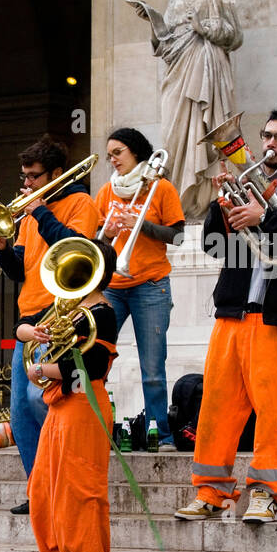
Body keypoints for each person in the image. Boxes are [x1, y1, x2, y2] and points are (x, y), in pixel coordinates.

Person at [174, 109, 277, 524]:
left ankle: (265, 493)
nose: (269, 145)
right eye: (266, 136)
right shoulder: (245, 185)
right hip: (231, 314)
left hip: (273, 317)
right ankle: (211, 491)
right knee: (217, 407)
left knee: (271, 408)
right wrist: (222, 211)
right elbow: (214, 247)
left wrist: (265, 217)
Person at [0, 135, 102, 513]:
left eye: (34, 177)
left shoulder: (79, 202)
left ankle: (59, 486)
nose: (26, 185)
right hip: (30, 319)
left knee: (48, 407)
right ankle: (38, 488)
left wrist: (41, 213)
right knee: (20, 410)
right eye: (24, 177)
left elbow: (77, 251)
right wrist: (2, 249)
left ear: (56, 173)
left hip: (63, 317)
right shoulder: (28, 215)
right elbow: (21, 270)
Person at [20, 240, 119, 552]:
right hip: (61, 405)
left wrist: (43, 368)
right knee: (44, 486)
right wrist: (31, 334)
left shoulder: (103, 314)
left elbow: (90, 365)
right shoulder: (66, 308)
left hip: (84, 404)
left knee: (81, 488)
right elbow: (22, 327)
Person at [128, 0, 242, 218]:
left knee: (206, 134)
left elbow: (235, 35)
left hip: (207, 68)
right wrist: (154, 23)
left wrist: (204, 28)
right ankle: (177, 199)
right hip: (178, 72)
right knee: (173, 134)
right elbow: (166, 41)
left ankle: (204, 201)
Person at [94, 127, 185, 451]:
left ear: (135, 151)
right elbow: (97, 242)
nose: (112, 160)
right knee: (97, 360)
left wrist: (140, 225)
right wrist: (107, 232)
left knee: (152, 368)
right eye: (109, 155)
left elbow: (178, 236)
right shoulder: (106, 192)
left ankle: (160, 434)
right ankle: (96, 429)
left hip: (151, 285)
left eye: (117, 152)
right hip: (113, 287)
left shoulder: (160, 188)